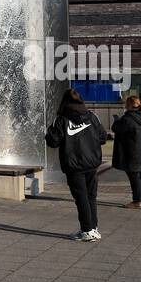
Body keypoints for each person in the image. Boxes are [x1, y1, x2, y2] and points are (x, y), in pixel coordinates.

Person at [45, 87, 109, 241]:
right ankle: (93, 228)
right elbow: (102, 138)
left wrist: (49, 131)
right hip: (92, 163)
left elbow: (53, 142)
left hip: (74, 165)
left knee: (81, 197)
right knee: (91, 196)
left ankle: (87, 230)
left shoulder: (61, 119)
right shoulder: (92, 116)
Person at [111, 93, 141, 208]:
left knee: (134, 176)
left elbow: (117, 129)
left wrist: (116, 120)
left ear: (128, 105)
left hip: (131, 150)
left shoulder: (128, 118)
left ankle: (137, 201)